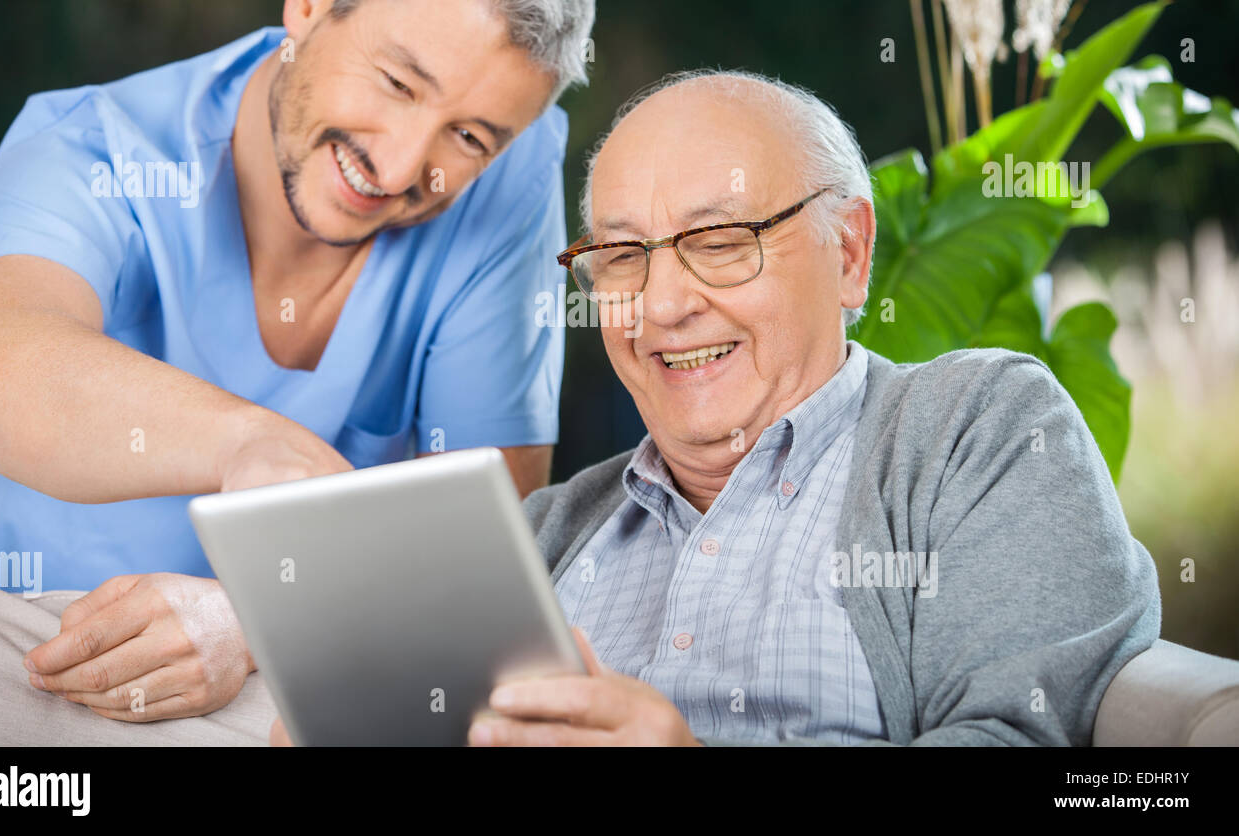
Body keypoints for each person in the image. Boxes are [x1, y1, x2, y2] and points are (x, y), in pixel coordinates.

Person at [0, 0, 593, 726]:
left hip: (307, 656)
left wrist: (260, 610)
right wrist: (259, 449)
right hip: (19, 641)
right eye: (397, 82)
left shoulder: (510, 169)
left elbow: (486, 503)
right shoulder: (91, 149)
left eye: (469, 137)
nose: (398, 170)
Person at [455, 70, 1160, 746]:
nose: (662, 307)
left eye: (720, 242)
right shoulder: (545, 534)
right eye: (619, 254)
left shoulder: (974, 435)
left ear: (849, 253)